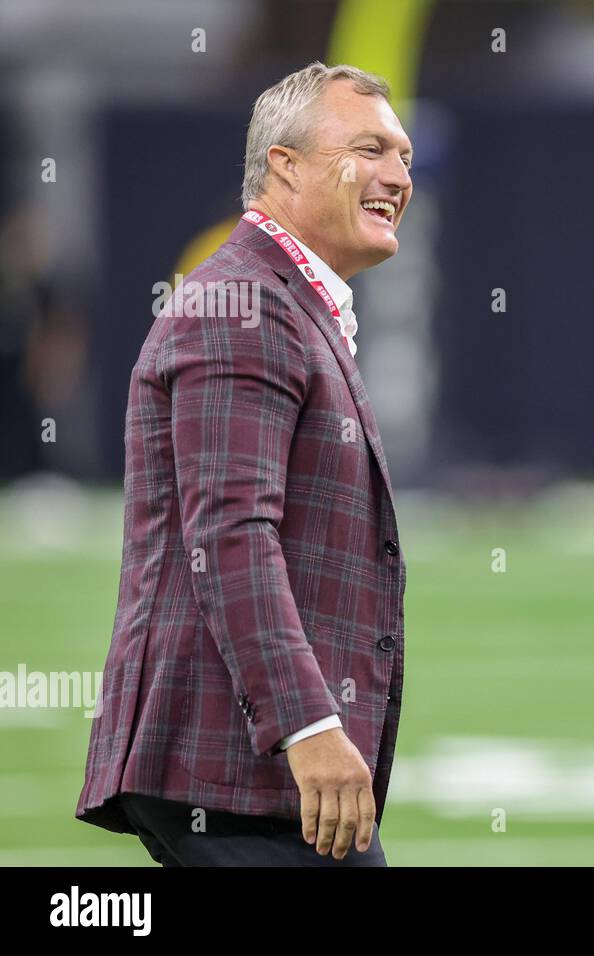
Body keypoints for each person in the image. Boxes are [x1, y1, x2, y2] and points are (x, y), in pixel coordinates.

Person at [76, 62, 414, 866]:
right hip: (232, 768)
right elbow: (230, 537)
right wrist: (309, 724)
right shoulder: (248, 306)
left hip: (243, 770)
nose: (397, 176)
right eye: (369, 149)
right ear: (284, 166)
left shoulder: (286, 303)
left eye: (402, 156)